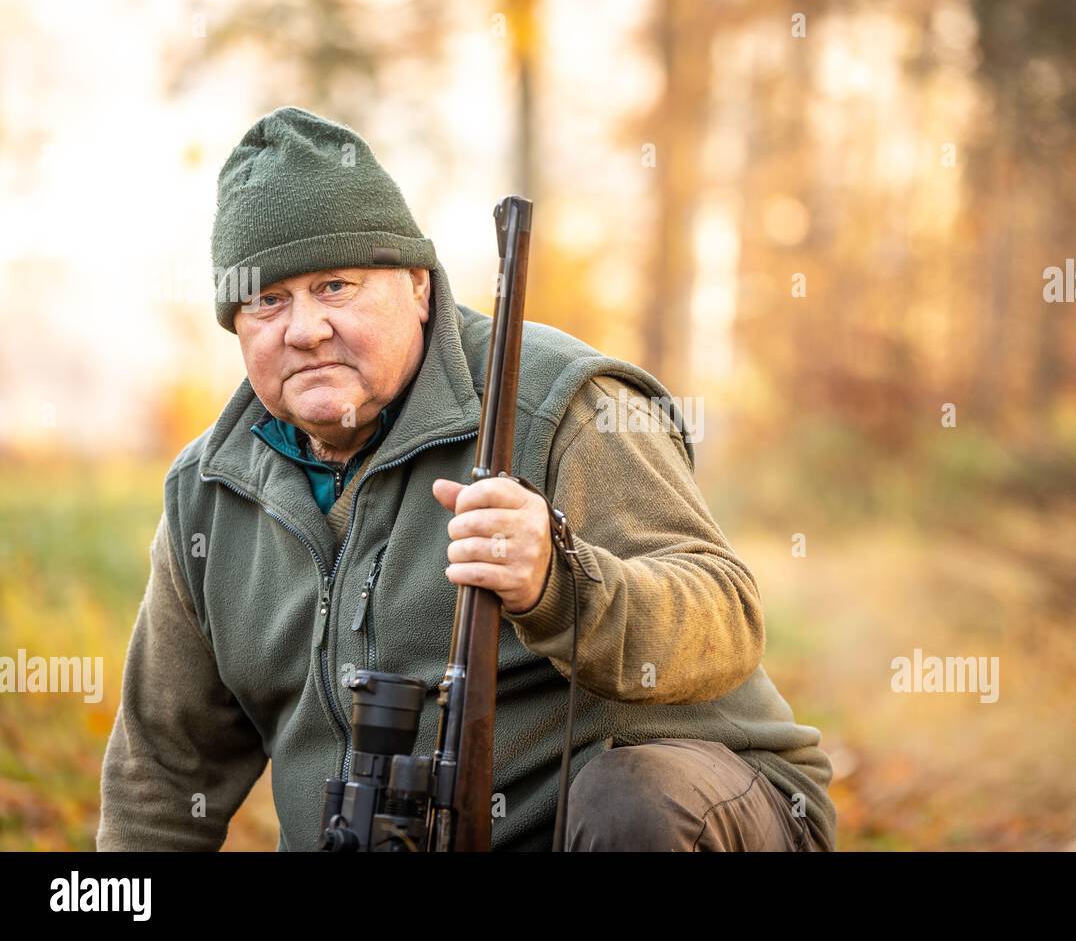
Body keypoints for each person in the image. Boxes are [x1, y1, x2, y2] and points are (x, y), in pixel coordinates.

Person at [95, 106, 836, 852]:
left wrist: (560, 580)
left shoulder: (563, 406)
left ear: (419, 287)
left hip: (694, 816)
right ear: (237, 324)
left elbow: (727, 617)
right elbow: (161, 770)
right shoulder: (208, 493)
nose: (304, 329)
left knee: (631, 807)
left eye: (336, 287)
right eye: (267, 300)